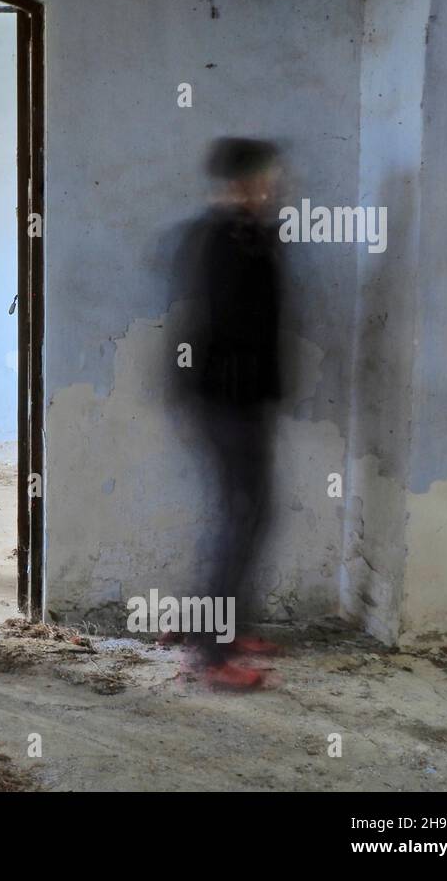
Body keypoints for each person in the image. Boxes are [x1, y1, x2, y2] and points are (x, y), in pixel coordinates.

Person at [184, 137, 286, 689]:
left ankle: (222, 629)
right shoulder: (223, 238)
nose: (273, 186)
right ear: (242, 181)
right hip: (227, 398)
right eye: (266, 176)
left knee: (244, 515)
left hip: (245, 398)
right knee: (244, 516)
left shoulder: (250, 234)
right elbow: (229, 324)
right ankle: (212, 654)